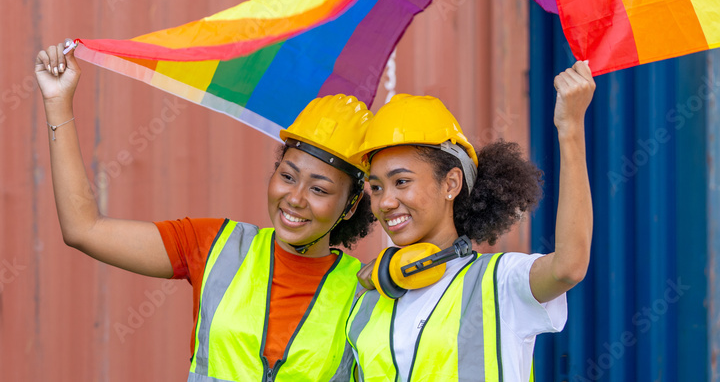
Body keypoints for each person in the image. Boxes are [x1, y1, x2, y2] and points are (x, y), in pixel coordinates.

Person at [35, 40, 378, 381]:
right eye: (288, 177)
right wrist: (57, 103)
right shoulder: (217, 245)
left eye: (319, 189)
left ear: (350, 206)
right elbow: (83, 229)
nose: (296, 198)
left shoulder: (367, 292)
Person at [346, 61, 596, 381]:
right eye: (377, 187)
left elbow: (568, 268)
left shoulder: (499, 283)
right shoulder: (367, 303)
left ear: (450, 184)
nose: (386, 202)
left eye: (402, 182)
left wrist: (571, 128)